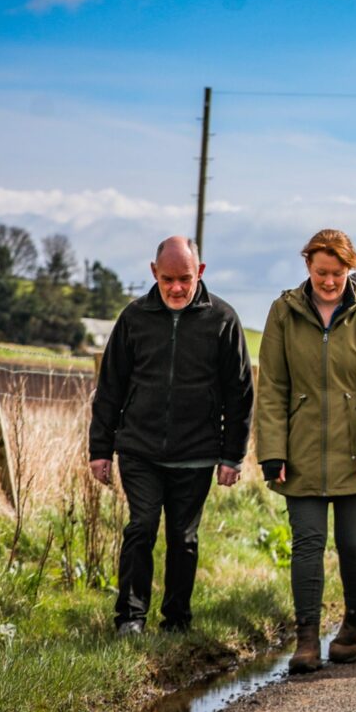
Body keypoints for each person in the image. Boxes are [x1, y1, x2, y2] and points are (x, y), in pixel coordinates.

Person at [87, 237, 253, 636]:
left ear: (201, 272)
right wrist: (100, 449)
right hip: (139, 449)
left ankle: (176, 619)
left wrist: (232, 456)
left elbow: (240, 392)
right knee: (141, 526)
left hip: (196, 452)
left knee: (183, 537)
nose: (177, 288)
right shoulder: (134, 318)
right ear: (153, 273)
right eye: (167, 280)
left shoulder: (223, 320)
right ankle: (130, 617)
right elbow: (110, 386)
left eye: (185, 279)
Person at [256, 230, 356, 673]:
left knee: (355, 547)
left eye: (337, 273)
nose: (329, 281)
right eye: (321, 273)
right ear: (307, 267)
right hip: (301, 451)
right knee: (307, 545)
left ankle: (353, 624)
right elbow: (273, 386)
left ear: (350, 269)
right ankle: (306, 640)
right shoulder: (284, 311)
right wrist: (271, 451)